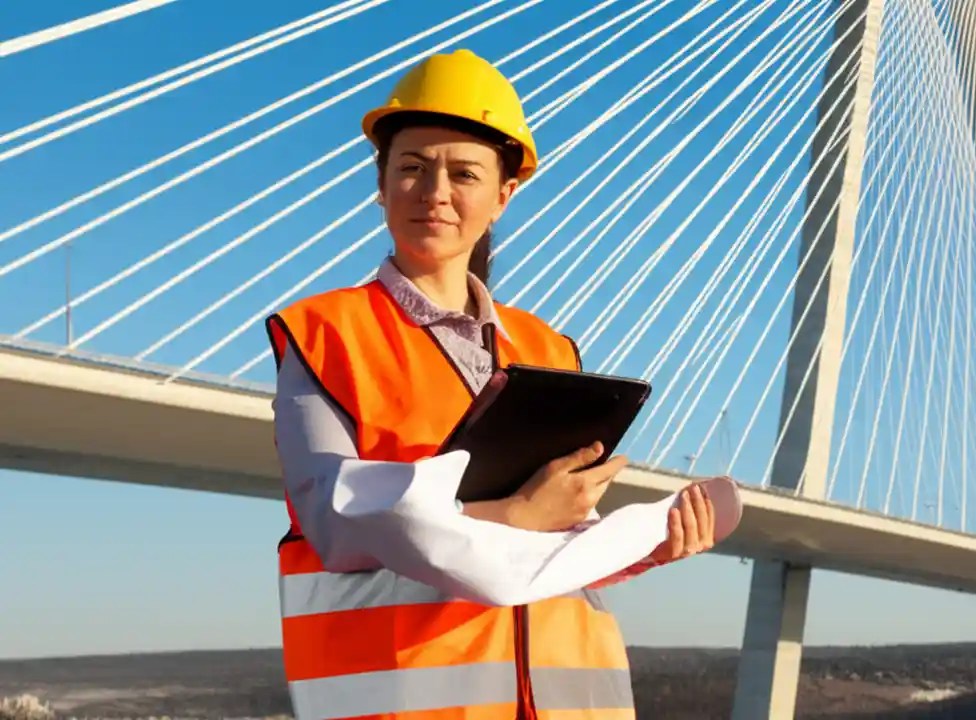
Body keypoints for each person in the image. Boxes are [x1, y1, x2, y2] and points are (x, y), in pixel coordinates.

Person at [265, 49, 742, 720]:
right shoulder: (324, 337)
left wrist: (649, 544)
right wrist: (512, 517)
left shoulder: (549, 350)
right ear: (380, 182)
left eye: (463, 173)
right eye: (411, 168)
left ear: (503, 195)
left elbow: (557, 550)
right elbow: (335, 524)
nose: (434, 192)